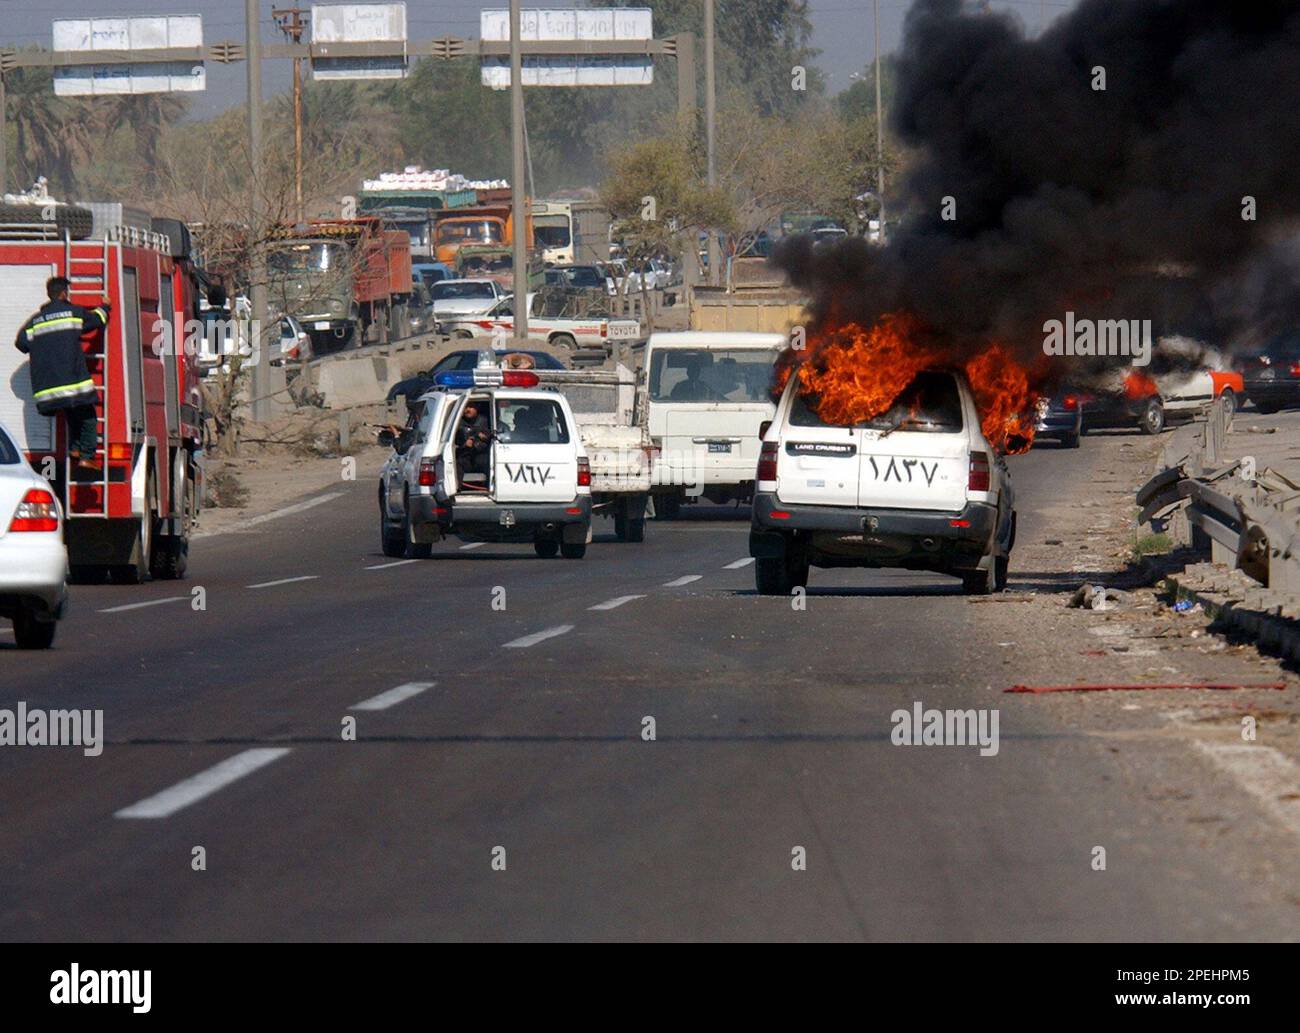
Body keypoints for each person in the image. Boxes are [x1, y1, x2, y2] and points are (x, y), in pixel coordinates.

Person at [14, 277, 110, 469]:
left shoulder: (35, 321)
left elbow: (21, 343)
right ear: (64, 293)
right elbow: (97, 320)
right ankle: (86, 456)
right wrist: (106, 307)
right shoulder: (72, 313)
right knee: (88, 417)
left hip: (47, 391)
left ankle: (75, 448)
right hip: (72, 384)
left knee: (72, 411)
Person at [456, 403, 492, 487]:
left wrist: (481, 437)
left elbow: (490, 436)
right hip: (465, 456)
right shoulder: (458, 422)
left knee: (487, 462)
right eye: (466, 407)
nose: (468, 410)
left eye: (471, 407)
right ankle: (458, 488)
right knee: (458, 463)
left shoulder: (485, 421)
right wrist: (464, 444)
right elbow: (454, 442)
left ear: (477, 408)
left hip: (481, 454)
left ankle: (488, 487)